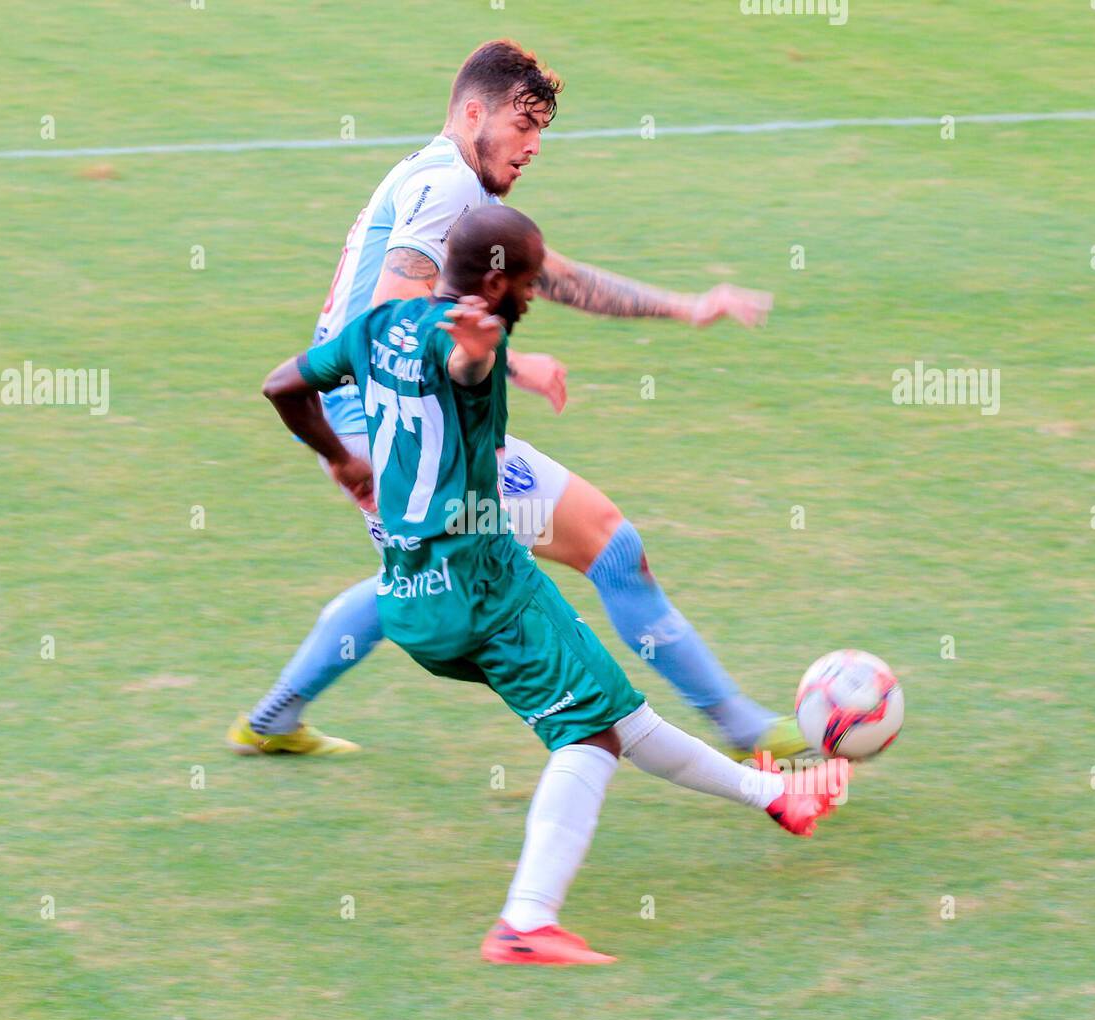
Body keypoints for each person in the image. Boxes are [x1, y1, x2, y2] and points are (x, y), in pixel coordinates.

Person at [260, 204, 848, 964]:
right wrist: (485, 359)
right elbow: (463, 366)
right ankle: (527, 923)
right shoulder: (478, 340)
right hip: (486, 592)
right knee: (592, 734)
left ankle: (778, 797)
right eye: (532, 281)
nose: (538, 294)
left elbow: (281, 385)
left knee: (610, 710)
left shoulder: (382, 326)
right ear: (500, 279)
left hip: (409, 598)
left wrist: (341, 459)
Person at [228, 39, 806, 764]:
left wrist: (689, 307)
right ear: (474, 111)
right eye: (523, 125)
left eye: (542, 131)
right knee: (608, 545)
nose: (534, 146)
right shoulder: (446, 188)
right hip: (393, 427)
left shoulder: (455, 186)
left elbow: (555, 276)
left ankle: (273, 717)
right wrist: (505, 359)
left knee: (428, 570)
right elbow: (393, 314)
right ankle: (744, 733)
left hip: (377, 426)